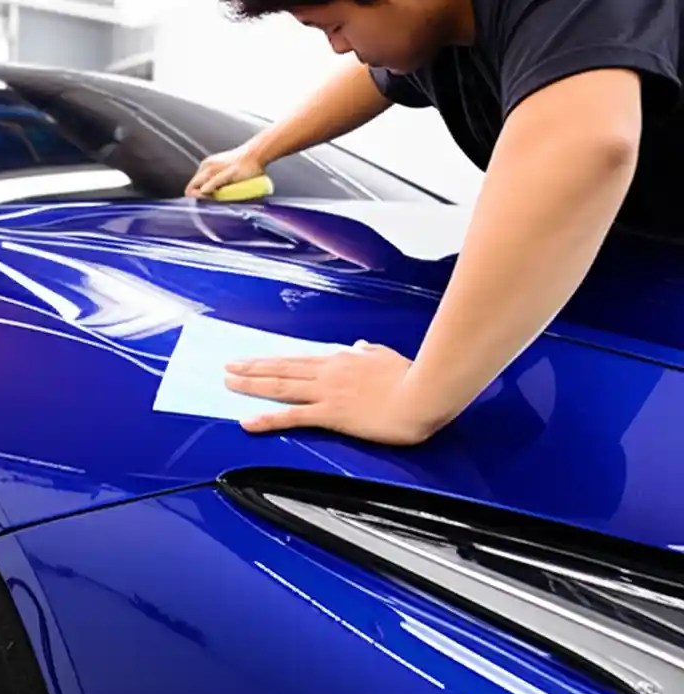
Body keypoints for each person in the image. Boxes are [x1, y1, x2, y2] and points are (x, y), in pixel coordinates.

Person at [187, 0, 682, 445]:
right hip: (621, 259)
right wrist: (257, 152)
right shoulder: (440, 32)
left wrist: (410, 404)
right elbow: (376, 72)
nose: (338, 46)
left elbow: (586, 146)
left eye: (334, 26)